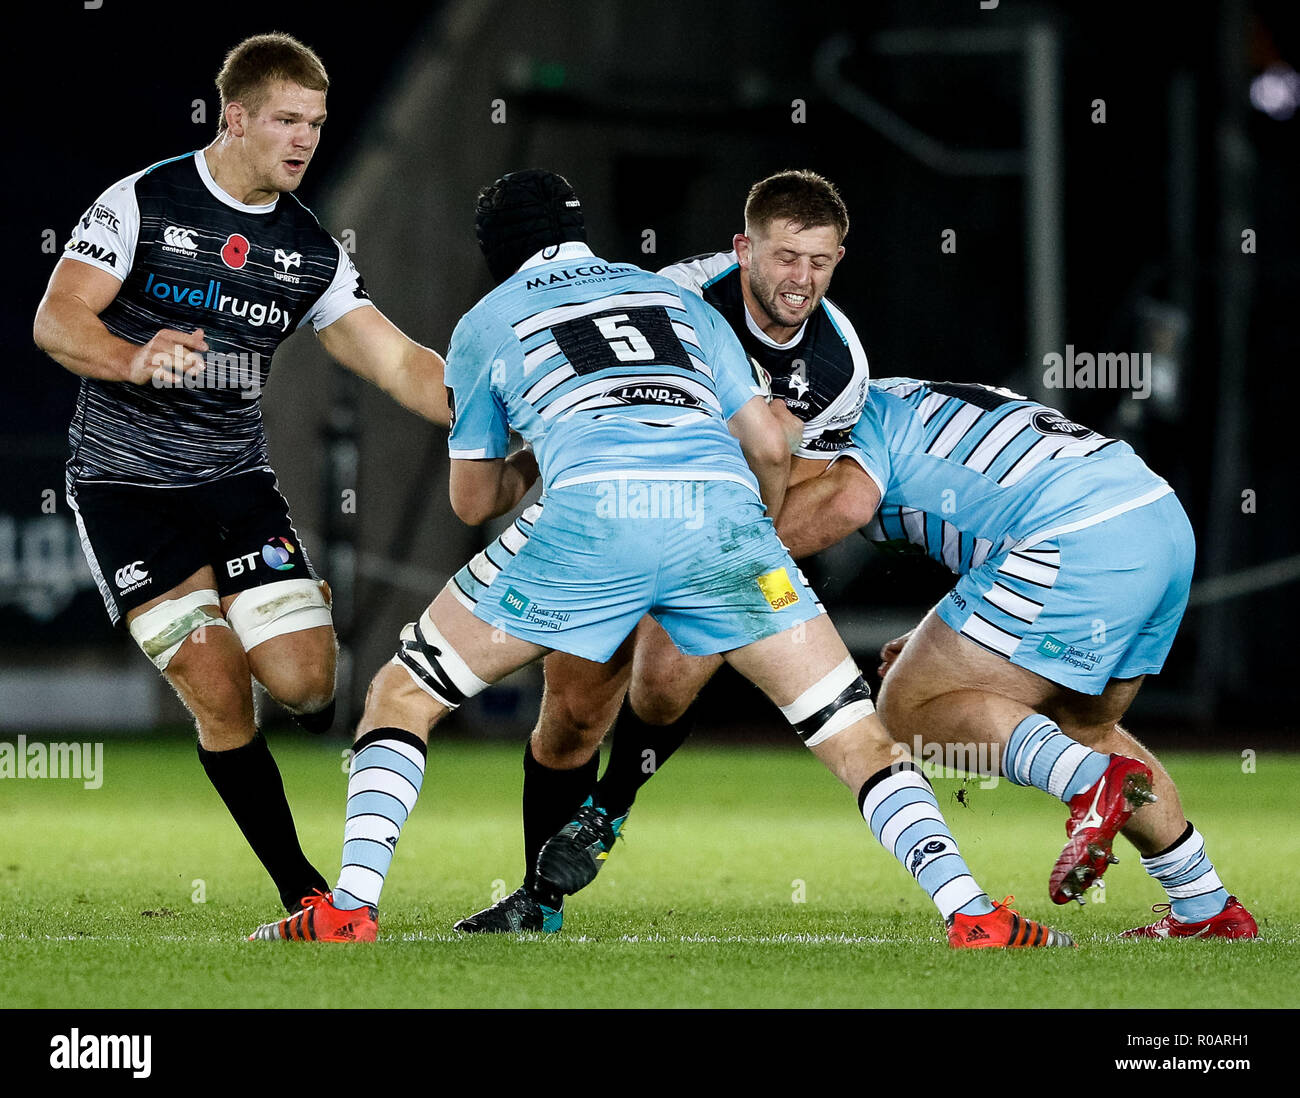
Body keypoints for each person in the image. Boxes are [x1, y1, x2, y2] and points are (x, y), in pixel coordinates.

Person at [249, 171, 1072, 949]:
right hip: (726, 524)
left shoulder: (488, 319)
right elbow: (765, 444)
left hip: (590, 520)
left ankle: (350, 907)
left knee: (405, 691)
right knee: (853, 733)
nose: (800, 277)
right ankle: (972, 912)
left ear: (495, 252)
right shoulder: (670, 298)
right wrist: (747, 526)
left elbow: (471, 502)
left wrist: (547, 453)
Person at [535, 376, 1259, 941]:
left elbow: (836, 509)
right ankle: (1205, 903)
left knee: (909, 710)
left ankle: (1093, 784)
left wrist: (676, 557)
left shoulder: (849, 433)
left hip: (1074, 540)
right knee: (1080, 724)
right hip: (1155, 522)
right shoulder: (909, 402)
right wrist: (932, 635)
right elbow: (984, 512)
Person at [32, 33, 450, 915]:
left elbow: (398, 363)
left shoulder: (307, 250)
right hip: (126, 490)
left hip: (234, 487)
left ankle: (276, 612)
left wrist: (496, 414)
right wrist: (136, 358)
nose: (304, 140)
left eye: (318, 124)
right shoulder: (143, 201)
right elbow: (58, 321)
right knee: (221, 696)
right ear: (236, 118)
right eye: (287, 121)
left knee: (306, 687)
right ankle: (304, 897)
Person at [455, 169, 874, 933]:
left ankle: (608, 810)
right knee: (574, 712)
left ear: (839, 259)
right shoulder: (676, 293)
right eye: (785, 257)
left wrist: (736, 546)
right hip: (612, 517)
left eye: (819, 261)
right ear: (745, 249)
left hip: (722, 530)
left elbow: (801, 478)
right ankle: (537, 901)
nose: (800, 279)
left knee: (666, 683)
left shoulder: (842, 366)